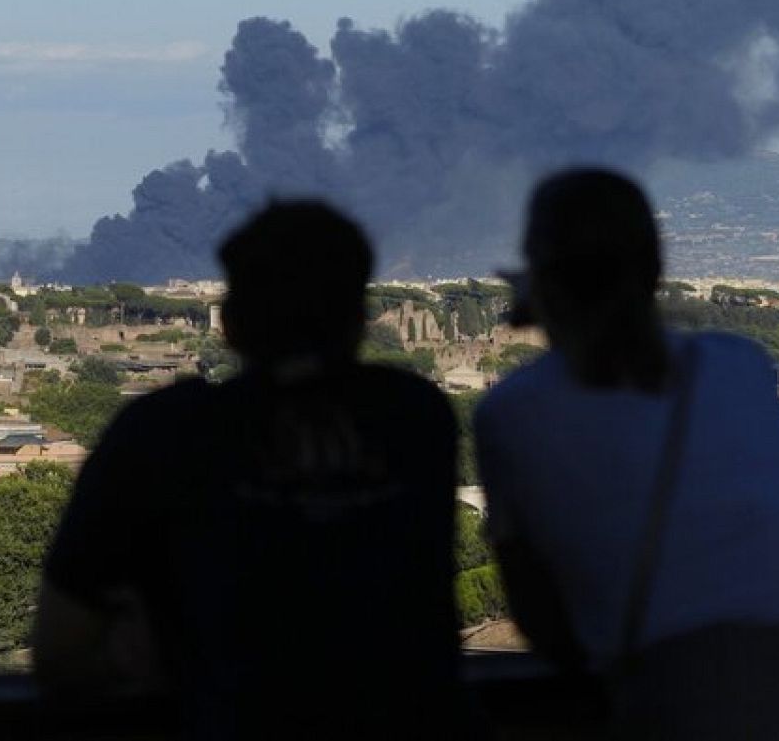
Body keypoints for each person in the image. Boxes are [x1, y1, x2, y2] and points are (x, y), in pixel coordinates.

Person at [475, 168, 779, 739]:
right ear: (656, 269)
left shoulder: (510, 412)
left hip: (696, 706)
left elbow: (542, 623)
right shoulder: (738, 362)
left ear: (540, 275)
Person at [31, 200, 465, 737]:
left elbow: (60, 651)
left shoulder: (165, 433)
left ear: (230, 326)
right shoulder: (417, 418)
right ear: (360, 321)